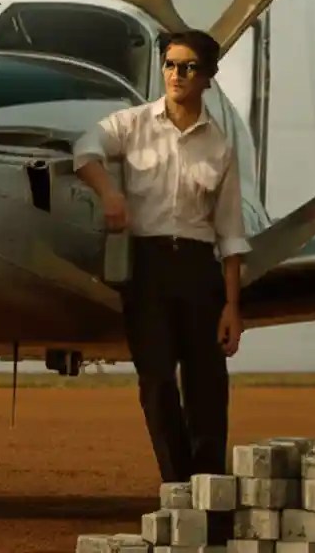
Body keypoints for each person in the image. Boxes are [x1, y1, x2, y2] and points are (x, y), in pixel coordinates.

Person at [72, 28, 247, 489]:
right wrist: (109, 192)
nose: (176, 74)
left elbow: (230, 233)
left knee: (208, 384)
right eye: (170, 64)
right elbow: (84, 148)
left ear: (207, 77)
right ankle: (177, 487)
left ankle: (210, 494)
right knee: (156, 381)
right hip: (147, 268)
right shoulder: (131, 125)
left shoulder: (221, 147)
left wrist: (232, 306)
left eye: (188, 67)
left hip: (199, 270)